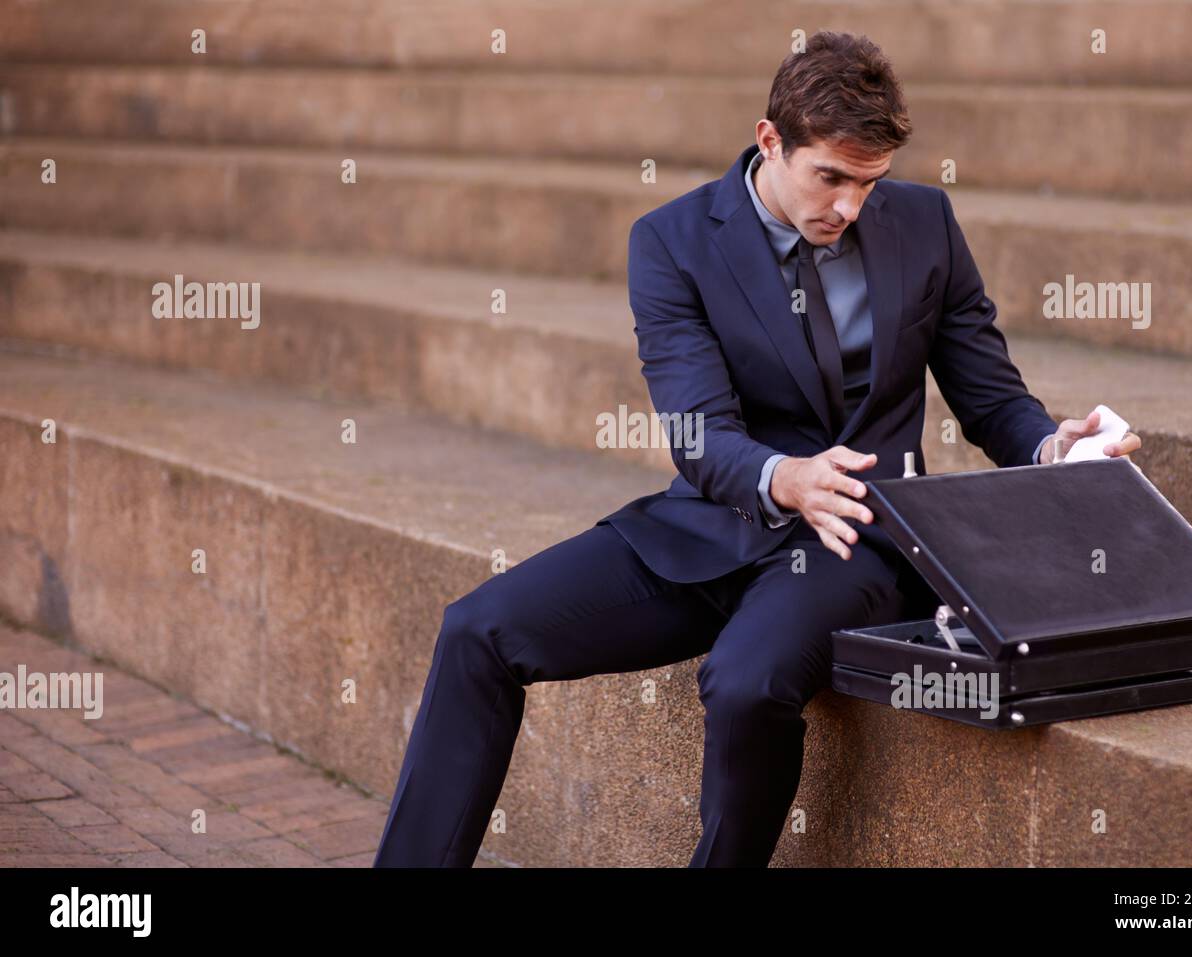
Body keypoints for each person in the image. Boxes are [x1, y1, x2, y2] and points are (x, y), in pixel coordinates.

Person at [373, 31, 1141, 868]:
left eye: (868, 183)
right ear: (770, 140)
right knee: (475, 630)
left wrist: (1049, 449)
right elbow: (699, 431)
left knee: (743, 682)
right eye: (832, 177)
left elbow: (991, 397)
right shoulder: (672, 242)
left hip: (856, 541)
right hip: (711, 526)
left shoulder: (926, 224)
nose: (849, 207)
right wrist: (785, 477)